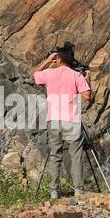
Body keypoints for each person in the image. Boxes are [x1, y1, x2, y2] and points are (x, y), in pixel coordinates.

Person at [33, 43, 92, 199]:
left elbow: (35, 74)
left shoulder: (49, 73)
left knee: (55, 155)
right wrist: (88, 80)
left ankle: (54, 191)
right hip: (71, 120)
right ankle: (78, 190)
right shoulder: (76, 75)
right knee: (76, 155)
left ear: (58, 59)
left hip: (54, 120)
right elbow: (87, 96)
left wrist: (48, 59)